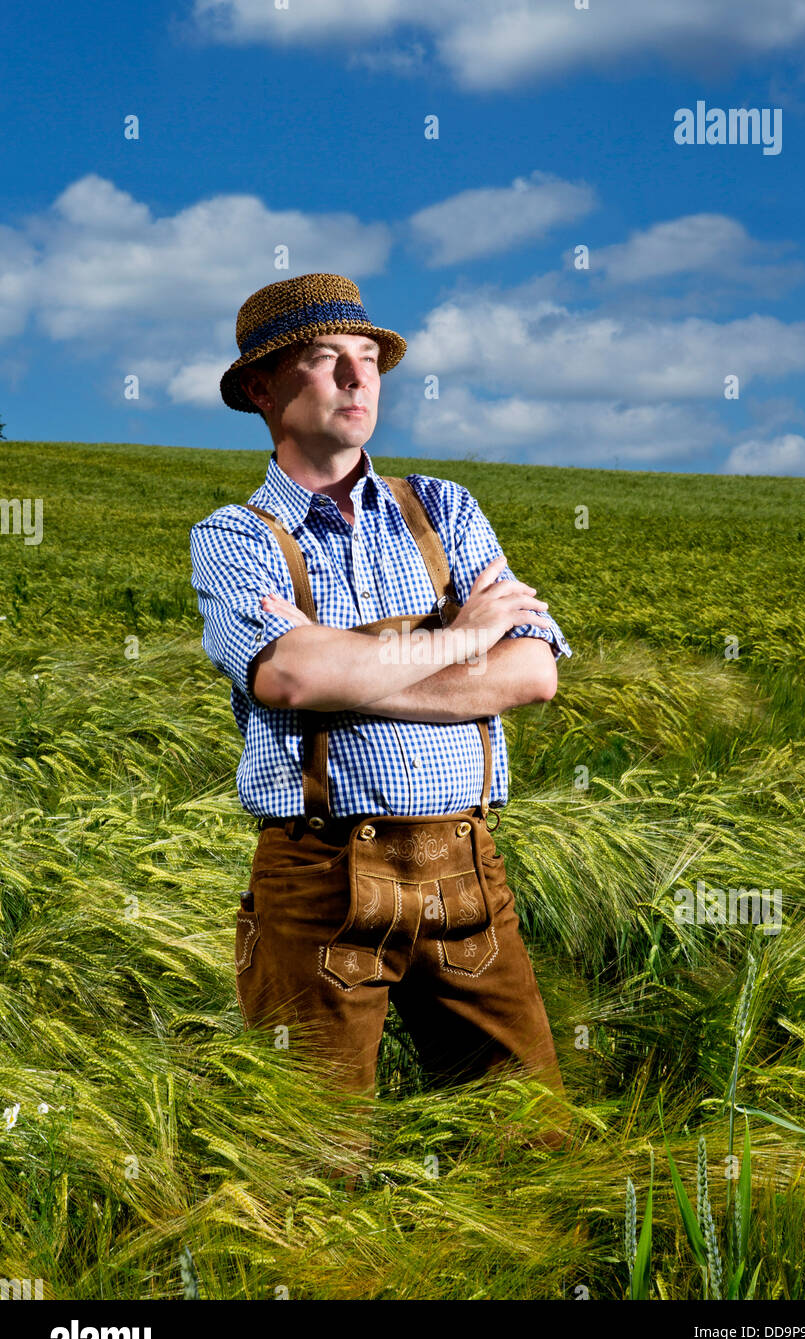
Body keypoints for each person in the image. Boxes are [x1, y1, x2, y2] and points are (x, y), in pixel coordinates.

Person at [189, 272, 574, 1149]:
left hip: (464, 863)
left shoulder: (443, 506)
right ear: (261, 388)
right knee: (312, 1162)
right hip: (318, 875)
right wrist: (455, 635)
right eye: (328, 361)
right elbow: (286, 682)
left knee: (531, 1140)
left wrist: (344, 664)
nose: (359, 381)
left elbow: (531, 673)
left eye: (368, 360)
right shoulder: (235, 535)